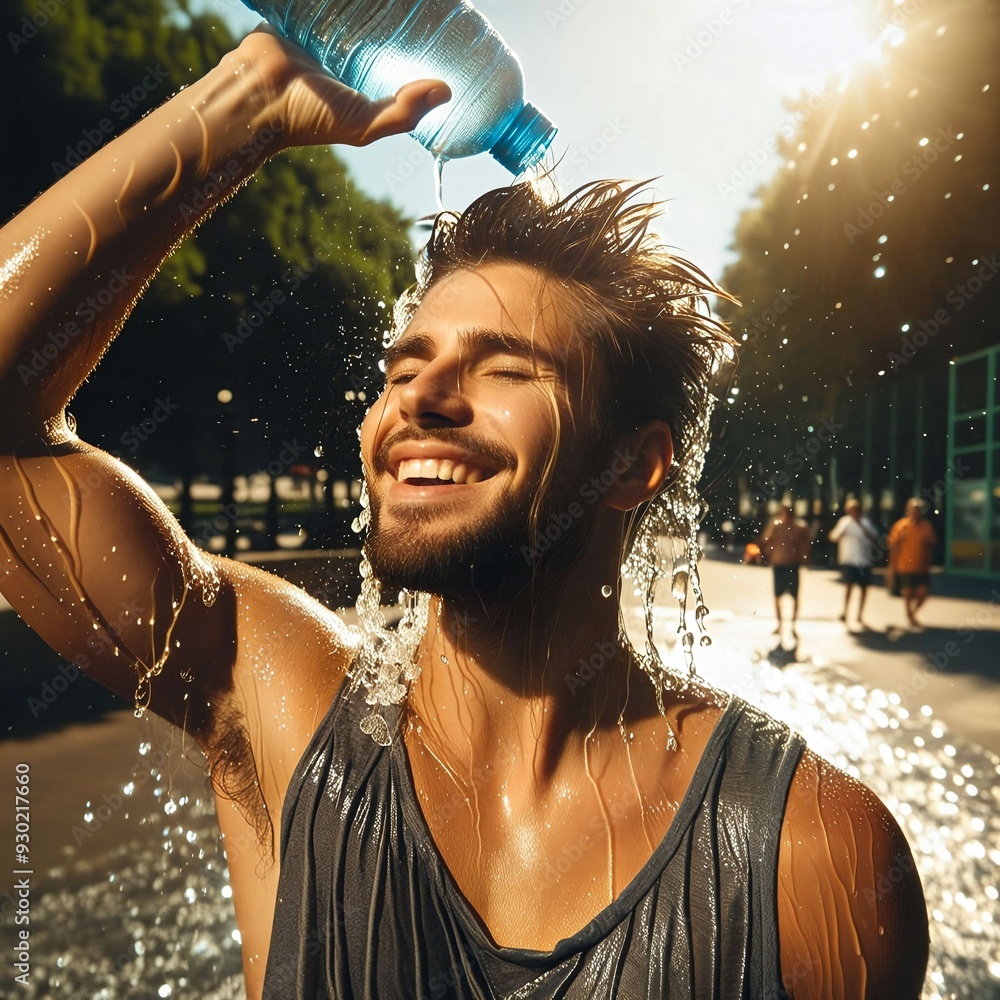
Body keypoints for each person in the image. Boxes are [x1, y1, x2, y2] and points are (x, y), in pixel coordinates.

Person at [0, 28, 927, 1000]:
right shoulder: (279, 702)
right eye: (404, 366)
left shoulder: (812, 857)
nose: (422, 396)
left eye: (503, 367)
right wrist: (242, 103)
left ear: (633, 462)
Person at [759, 504, 812, 639]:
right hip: (779, 565)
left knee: (794, 597)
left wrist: (805, 559)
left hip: (793, 565)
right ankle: (780, 624)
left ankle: (793, 624)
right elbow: (765, 540)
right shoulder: (776, 525)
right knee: (778, 596)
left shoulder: (799, 527)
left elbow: (805, 545)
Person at [828, 499, 880, 629]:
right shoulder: (844, 522)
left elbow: (874, 536)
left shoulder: (865, 522)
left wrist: (860, 524)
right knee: (849, 586)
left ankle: (860, 614)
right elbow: (833, 537)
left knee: (863, 588)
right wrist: (842, 532)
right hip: (849, 560)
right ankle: (846, 612)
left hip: (864, 560)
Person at [888, 497, 938, 628]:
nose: (916, 512)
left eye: (918, 509)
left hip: (922, 566)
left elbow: (933, 542)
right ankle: (909, 613)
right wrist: (892, 566)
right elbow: (893, 545)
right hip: (905, 566)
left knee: (923, 592)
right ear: (908, 510)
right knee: (908, 592)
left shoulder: (926, 526)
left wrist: (928, 543)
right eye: (913, 509)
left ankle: (913, 613)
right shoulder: (901, 526)